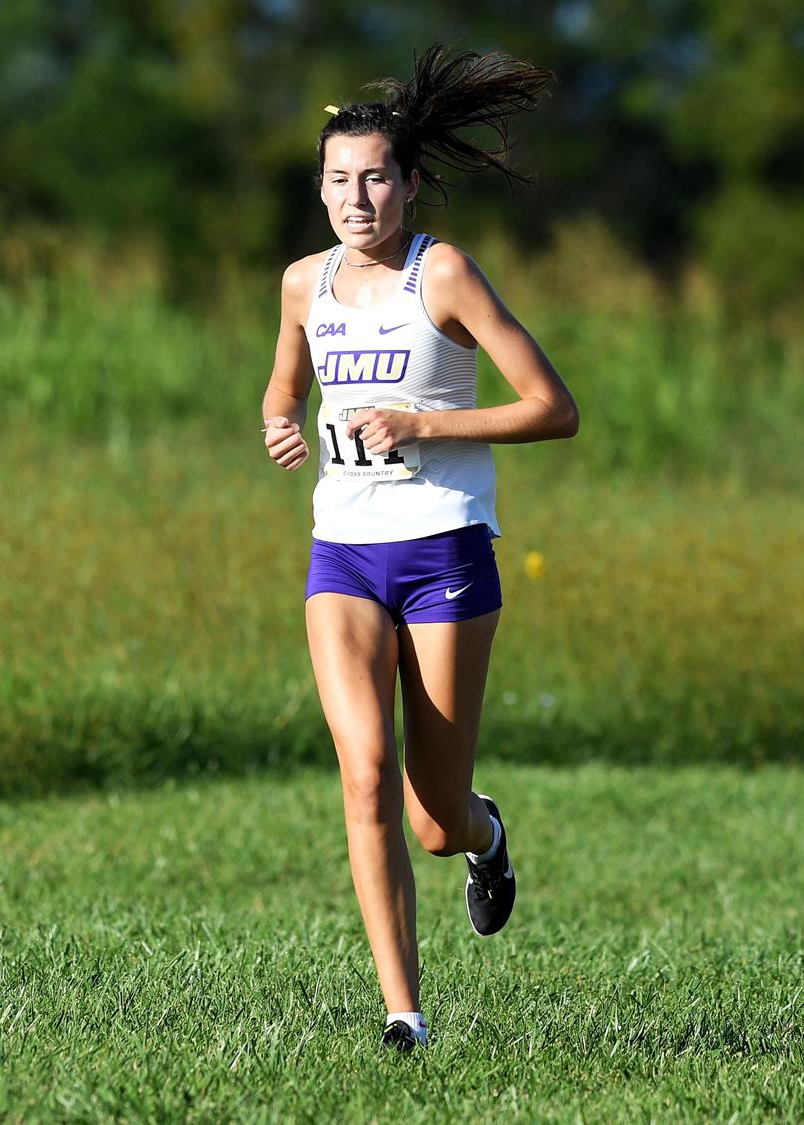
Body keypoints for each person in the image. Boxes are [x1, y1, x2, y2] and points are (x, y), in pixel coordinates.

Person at [258, 45, 577, 1050]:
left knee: (433, 817)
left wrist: (424, 424)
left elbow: (552, 410)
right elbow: (284, 387)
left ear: (406, 182)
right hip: (342, 557)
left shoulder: (442, 275)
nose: (359, 198)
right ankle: (403, 1012)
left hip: (443, 552)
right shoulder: (301, 285)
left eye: (377, 177)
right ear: (317, 189)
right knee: (362, 775)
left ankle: (486, 835)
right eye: (339, 181)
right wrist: (278, 423)